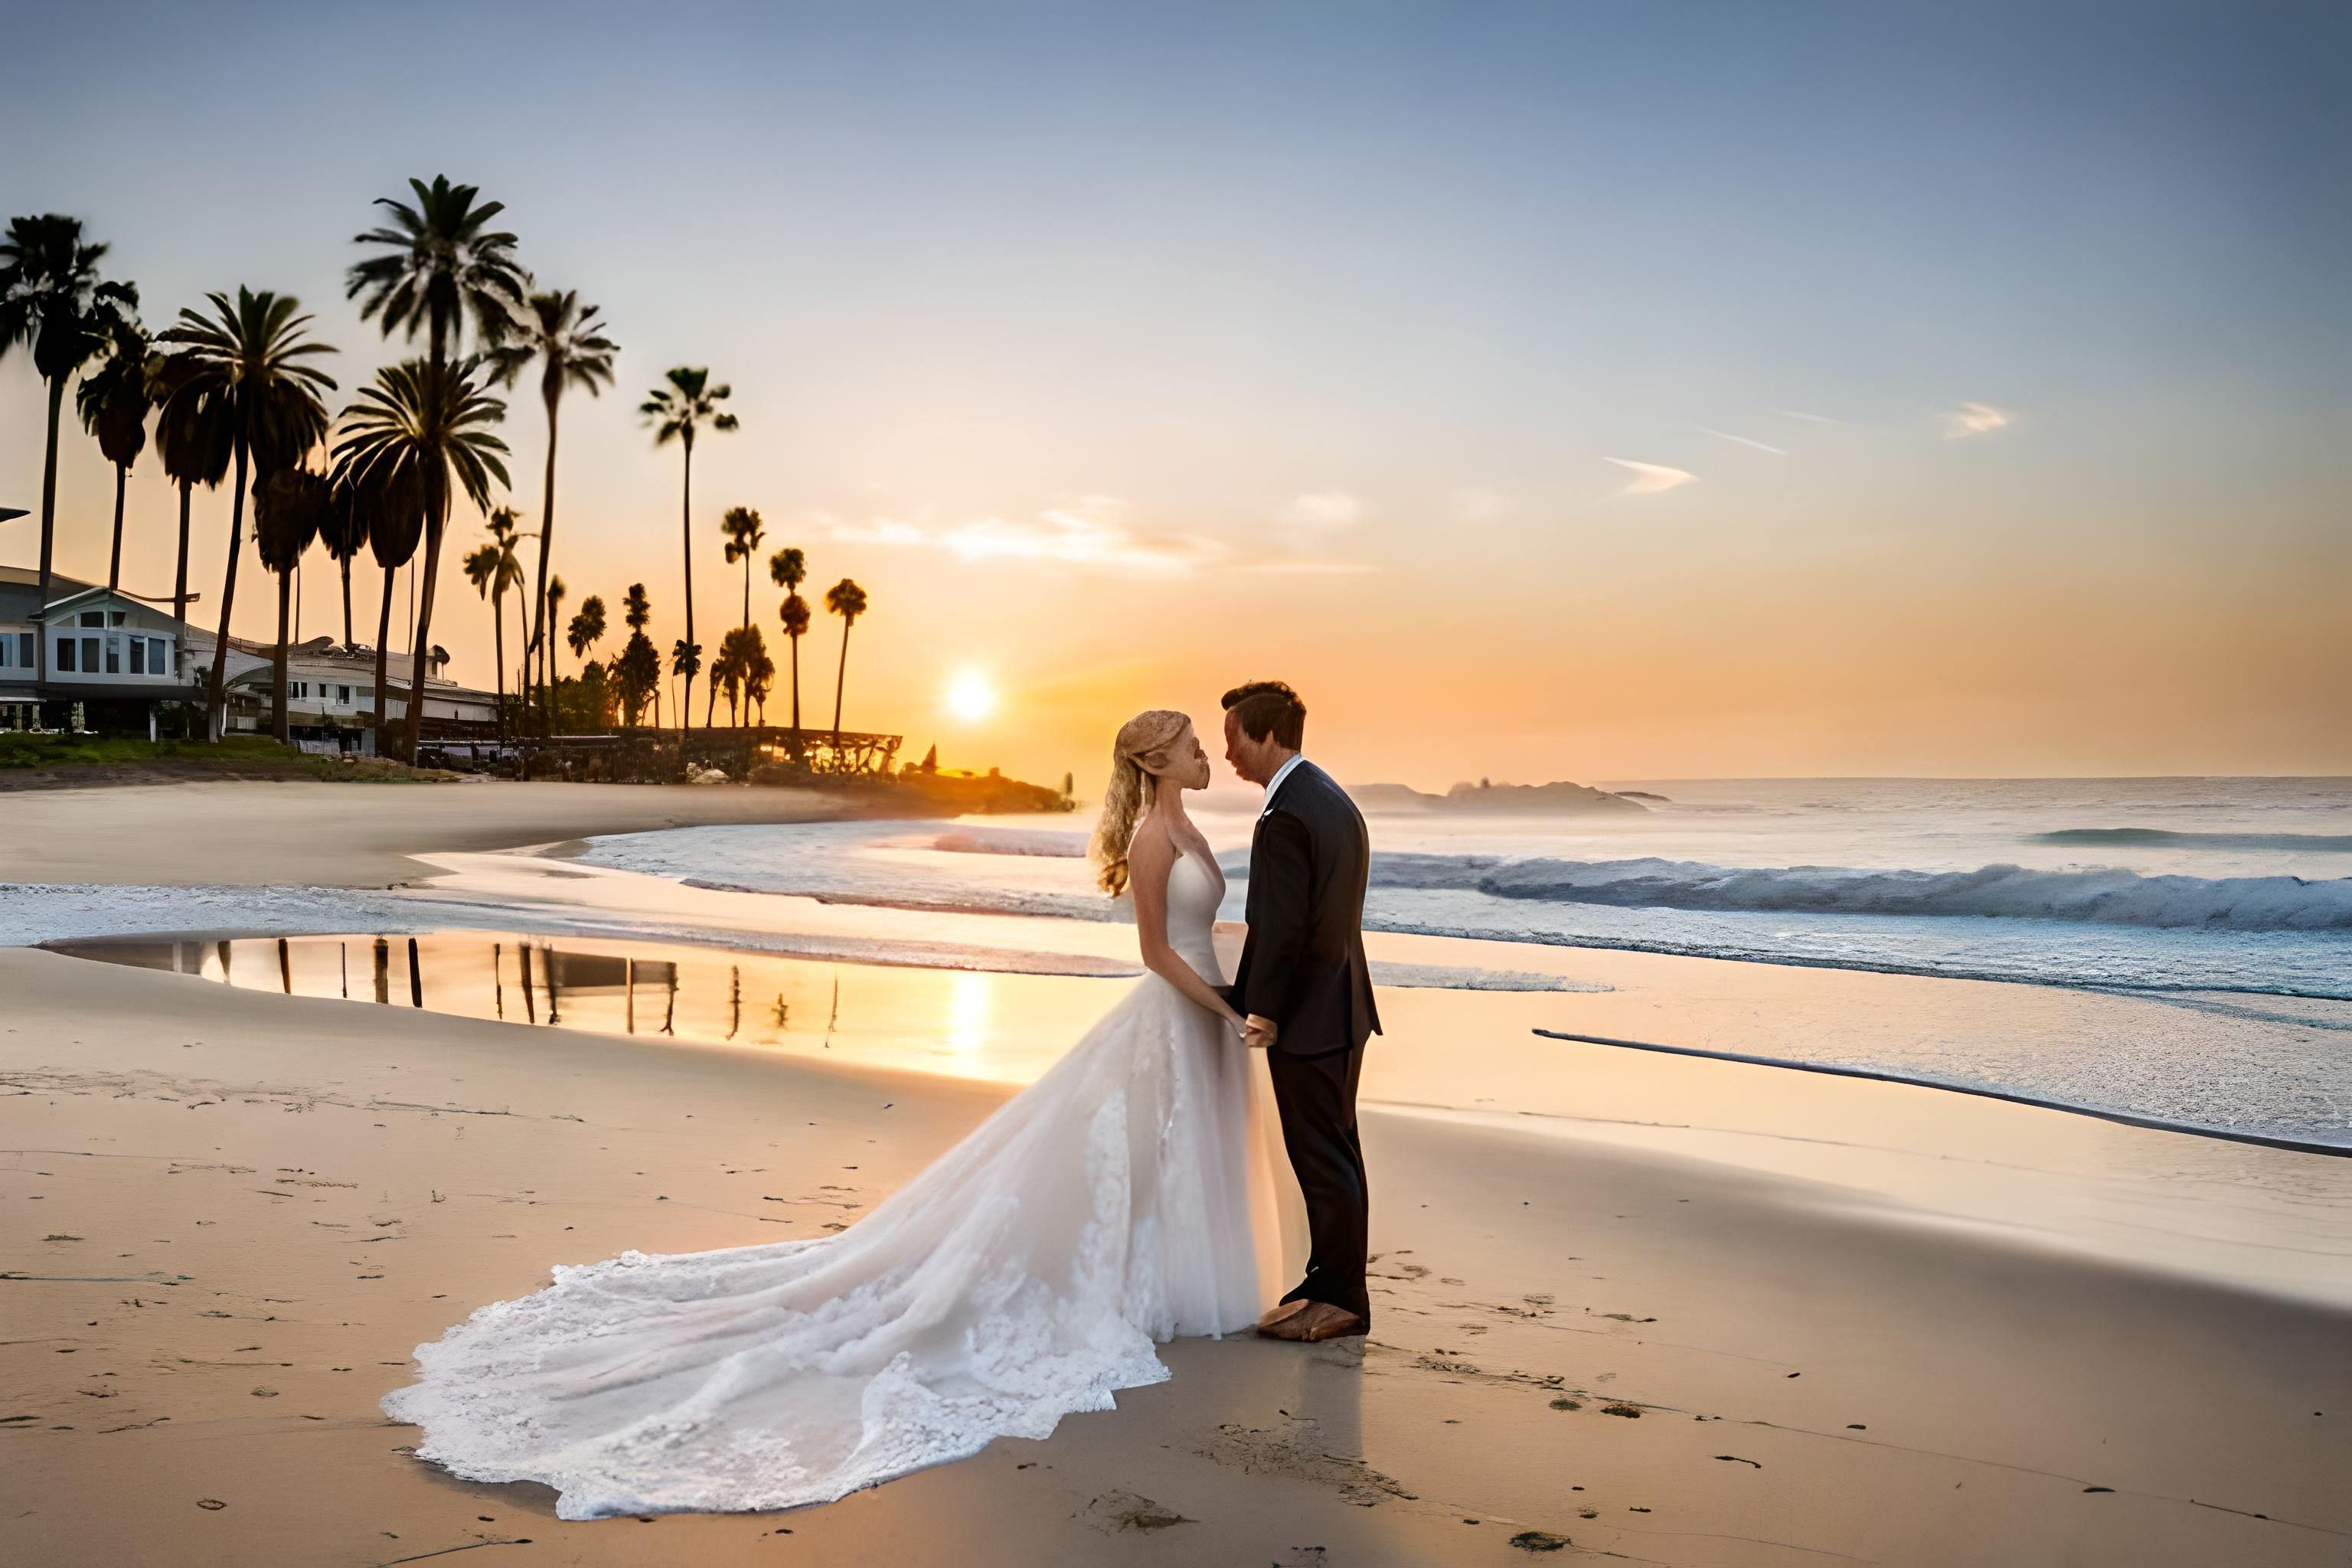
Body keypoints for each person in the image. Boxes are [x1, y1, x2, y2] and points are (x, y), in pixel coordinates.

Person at [381, 708, 1289, 1518]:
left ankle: (1166, 1287)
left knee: (1168, 1157)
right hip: (1181, 1011)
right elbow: (1155, 954)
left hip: (1211, 1010)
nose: (1209, 754)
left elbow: (1203, 934)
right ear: (1156, 759)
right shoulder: (1149, 843)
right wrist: (1223, 1006)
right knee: (1127, 1152)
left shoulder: (1193, 827)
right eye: (1194, 746)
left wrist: (1249, 981)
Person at [1218, 680, 1380, 1343]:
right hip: (1344, 1005)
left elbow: (1283, 926)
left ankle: (1342, 1300)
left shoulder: (1286, 813)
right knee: (1338, 1152)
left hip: (1312, 1016)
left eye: (1233, 738)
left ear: (1265, 735)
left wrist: (1263, 1009)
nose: (1228, 753)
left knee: (1322, 1158)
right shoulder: (1328, 795)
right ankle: (1328, 1283)